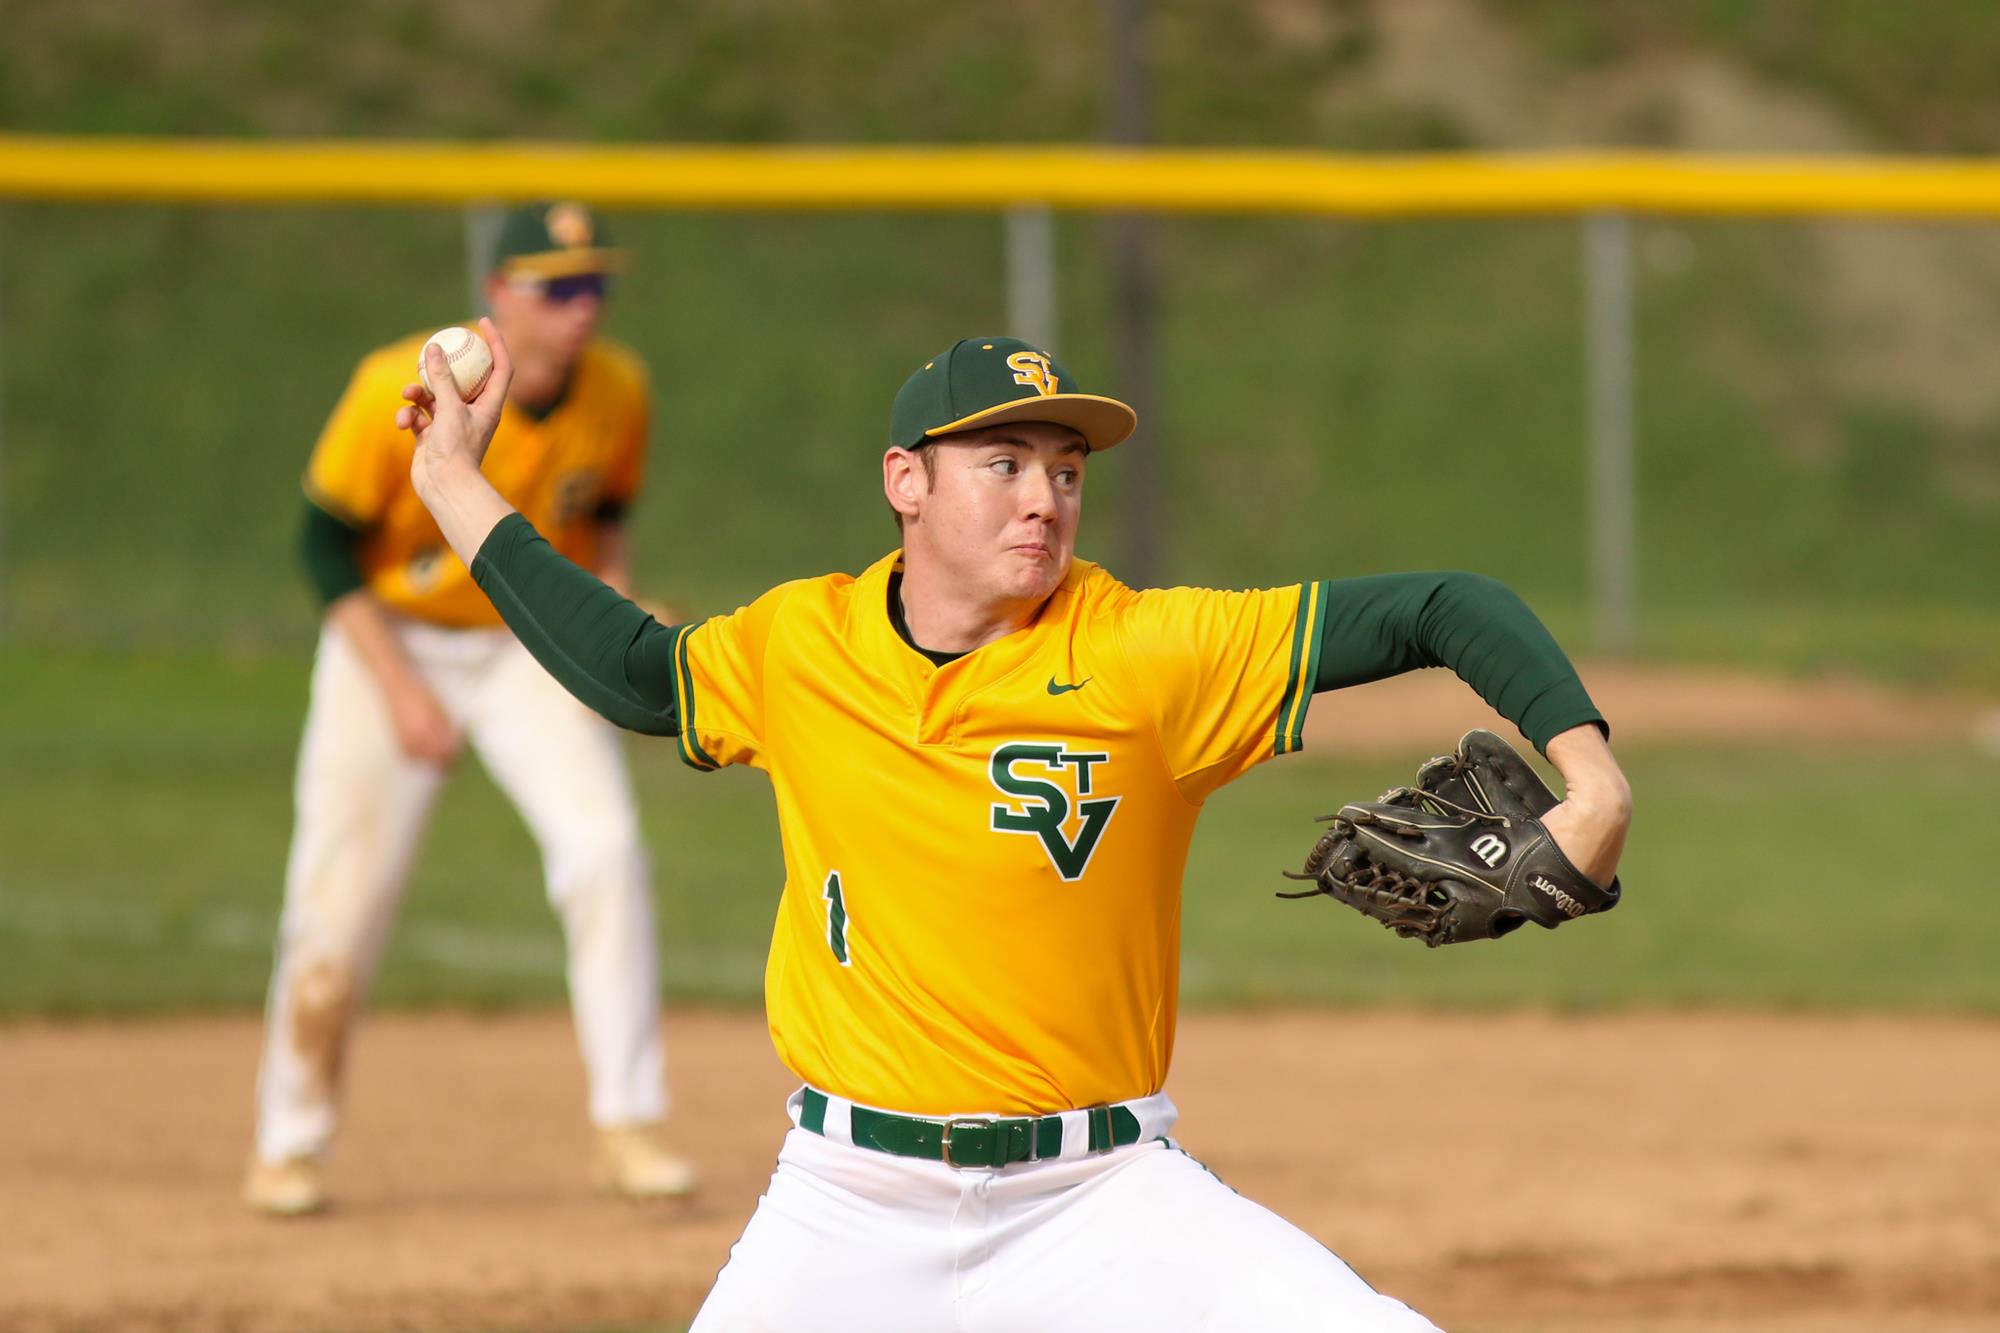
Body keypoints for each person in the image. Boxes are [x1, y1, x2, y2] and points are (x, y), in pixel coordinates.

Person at [397, 327, 1633, 1329]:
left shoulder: (1144, 652)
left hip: (1098, 1198)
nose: (1044, 498)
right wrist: (452, 479)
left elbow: (1439, 605)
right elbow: (632, 672)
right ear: (905, 480)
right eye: (1003, 462)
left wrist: (1591, 786)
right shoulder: (799, 644)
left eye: (1066, 469)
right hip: (844, 1203)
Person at [244, 203, 695, 1216]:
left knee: (604, 850)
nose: (582, 308)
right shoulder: (390, 386)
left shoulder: (619, 390)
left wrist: (622, 608)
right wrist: (401, 694)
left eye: (594, 286)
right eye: (556, 286)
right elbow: (322, 550)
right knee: (339, 894)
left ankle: (628, 1125)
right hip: (389, 641)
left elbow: (601, 518)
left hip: (524, 642)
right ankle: (289, 1141)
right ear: (495, 294)